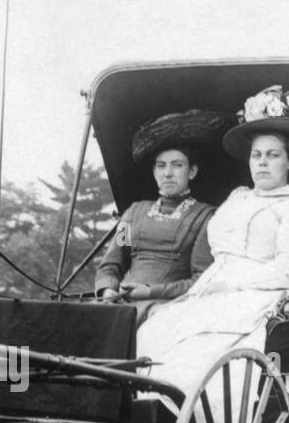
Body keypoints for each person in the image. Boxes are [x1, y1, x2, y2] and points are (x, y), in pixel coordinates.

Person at [136, 85, 289, 410]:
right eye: (256, 155)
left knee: (203, 352)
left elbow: (287, 270)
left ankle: (200, 421)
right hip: (214, 287)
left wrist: (234, 284)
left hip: (262, 293)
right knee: (154, 332)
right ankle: (150, 418)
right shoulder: (237, 198)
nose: (262, 163)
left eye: (273, 155)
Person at [94, 109, 224, 325]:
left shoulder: (205, 217)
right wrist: (108, 292)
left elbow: (200, 280)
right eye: (161, 166)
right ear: (154, 172)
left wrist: (150, 291)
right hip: (119, 304)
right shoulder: (133, 214)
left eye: (177, 165)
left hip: (167, 307)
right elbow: (111, 264)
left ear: (192, 172)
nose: (168, 173)